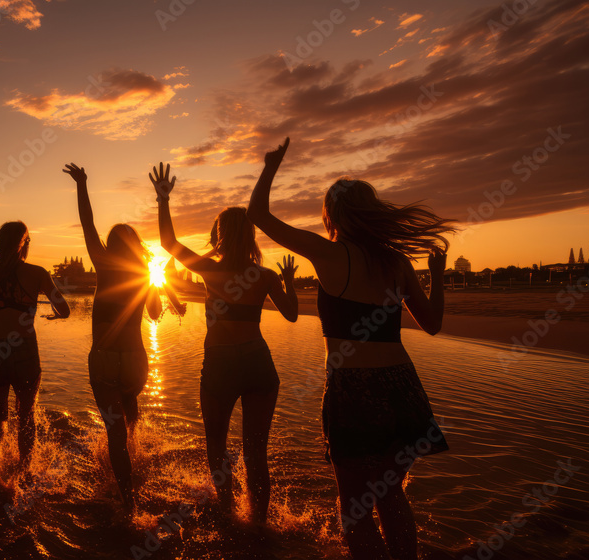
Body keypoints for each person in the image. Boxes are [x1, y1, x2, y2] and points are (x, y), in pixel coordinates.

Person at [247, 138, 452, 559]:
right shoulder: (397, 262)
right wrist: (437, 274)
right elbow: (432, 325)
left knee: (354, 515)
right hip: (402, 387)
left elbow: (258, 216)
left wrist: (270, 167)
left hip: (354, 389)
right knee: (391, 497)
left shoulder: (329, 253)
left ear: (332, 214)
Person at [152, 162, 298, 524]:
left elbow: (168, 243)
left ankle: (229, 513)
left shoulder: (210, 269)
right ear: (249, 237)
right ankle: (259, 525)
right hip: (258, 362)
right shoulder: (263, 275)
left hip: (220, 365)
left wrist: (164, 198)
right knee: (255, 452)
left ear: (219, 235)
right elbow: (293, 314)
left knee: (216, 444)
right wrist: (289, 282)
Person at [65, 163, 181, 513]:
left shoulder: (102, 262)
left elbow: (88, 224)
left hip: (104, 358)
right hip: (136, 362)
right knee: (131, 410)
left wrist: (83, 184)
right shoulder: (145, 274)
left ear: (111, 245)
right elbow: (156, 313)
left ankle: (127, 502)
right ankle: (136, 464)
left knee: (114, 432)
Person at [0, 221, 70, 469]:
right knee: (26, 417)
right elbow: (65, 309)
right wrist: (53, 313)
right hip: (25, 351)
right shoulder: (38, 273)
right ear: (24, 244)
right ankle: (24, 472)